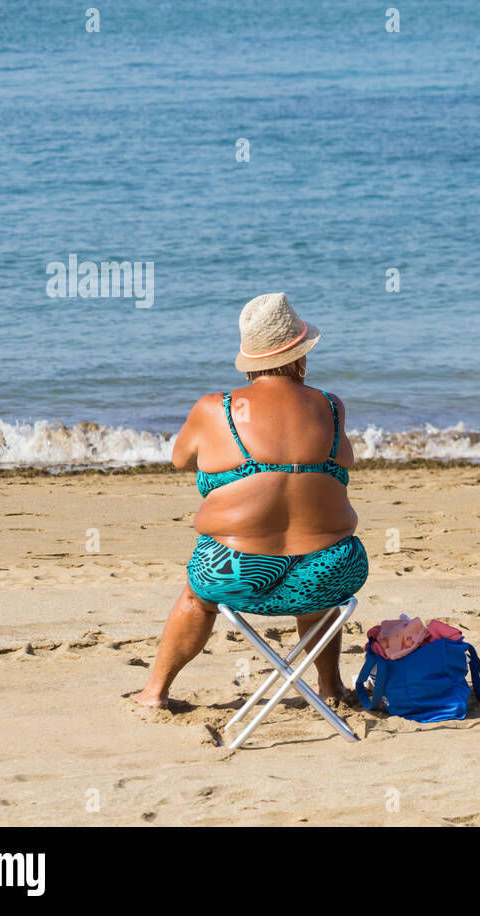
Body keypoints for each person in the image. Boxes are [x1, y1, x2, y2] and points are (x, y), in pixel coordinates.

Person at [133, 292, 367, 709]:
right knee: (318, 582)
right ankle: (330, 688)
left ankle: (154, 693)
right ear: (300, 354)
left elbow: (178, 459)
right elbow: (341, 461)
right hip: (331, 569)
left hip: (237, 574)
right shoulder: (331, 407)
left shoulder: (215, 408)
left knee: (195, 597)